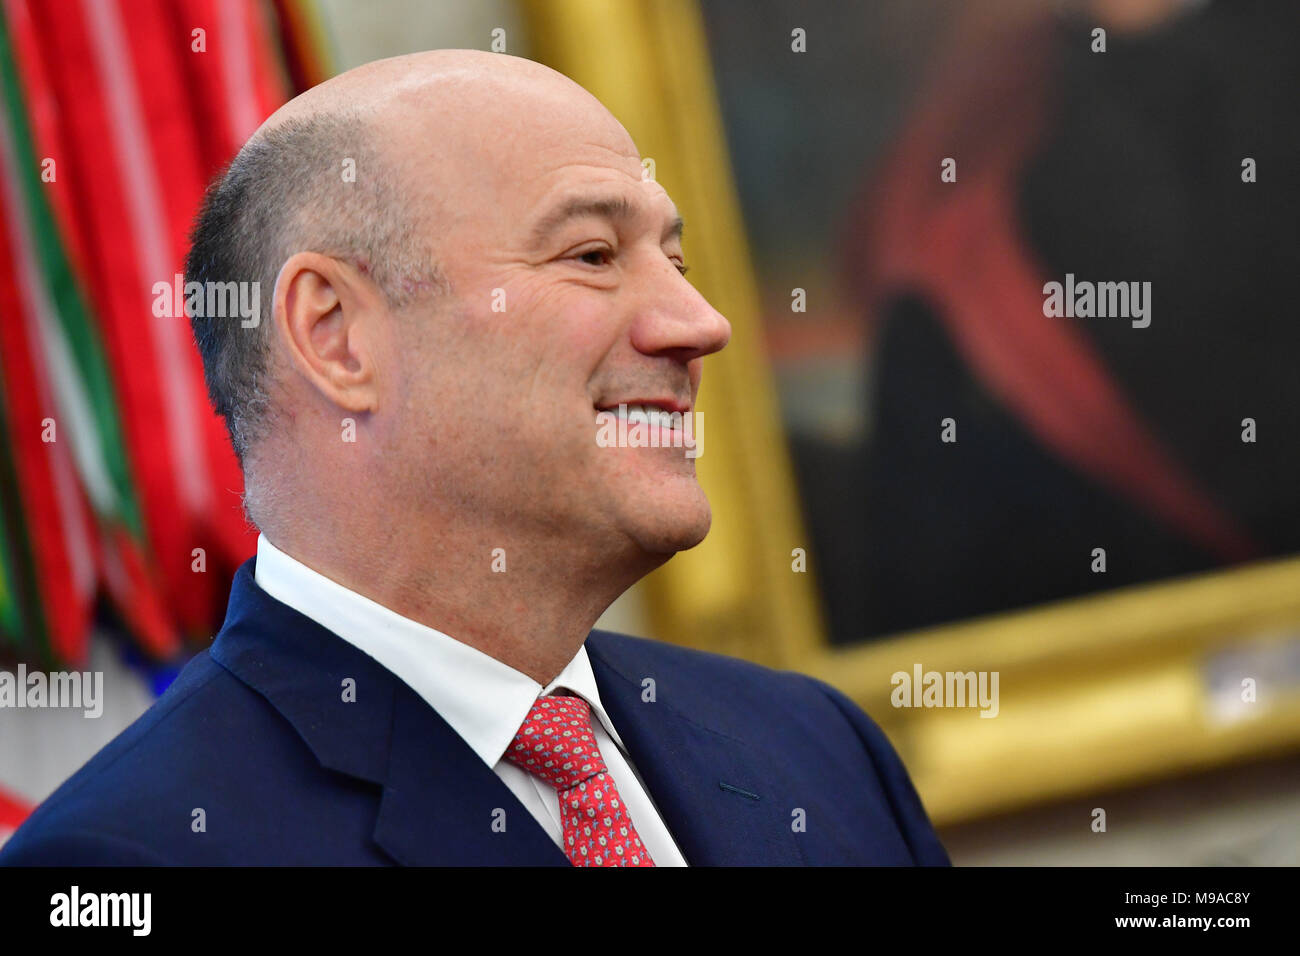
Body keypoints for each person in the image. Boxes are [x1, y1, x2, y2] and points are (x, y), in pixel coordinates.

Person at [0, 50, 948, 866]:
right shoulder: (132, 856)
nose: (700, 325)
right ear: (335, 337)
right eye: (590, 255)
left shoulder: (817, 750)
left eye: (677, 261)